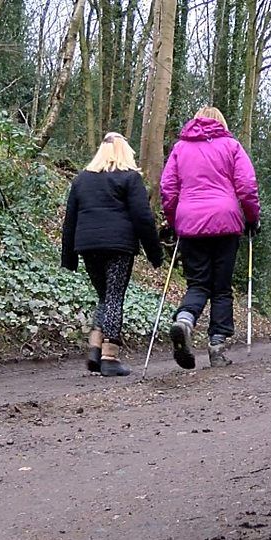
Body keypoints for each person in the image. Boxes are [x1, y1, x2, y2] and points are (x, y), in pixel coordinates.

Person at [161, 106, 260, 369]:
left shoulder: (181, 148)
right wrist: (252, 218)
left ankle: (184, 320)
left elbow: (168, 188)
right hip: (226, 222)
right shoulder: (231, 146)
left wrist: (174, 221)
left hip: (190, 223)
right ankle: (217, 344)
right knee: (221, 288)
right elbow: (247, 186)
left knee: (198, 284)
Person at [61, 132, 164, 376]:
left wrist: (68, 257)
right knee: (115, 296)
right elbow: (143, 218)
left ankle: (95, 346)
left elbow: (70, 221)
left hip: (87, 245)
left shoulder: (81, 180)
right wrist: (154, 253)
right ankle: (110, 355)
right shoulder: (130, 178)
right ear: (124, 152)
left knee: (105, 297)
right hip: (119, 246)